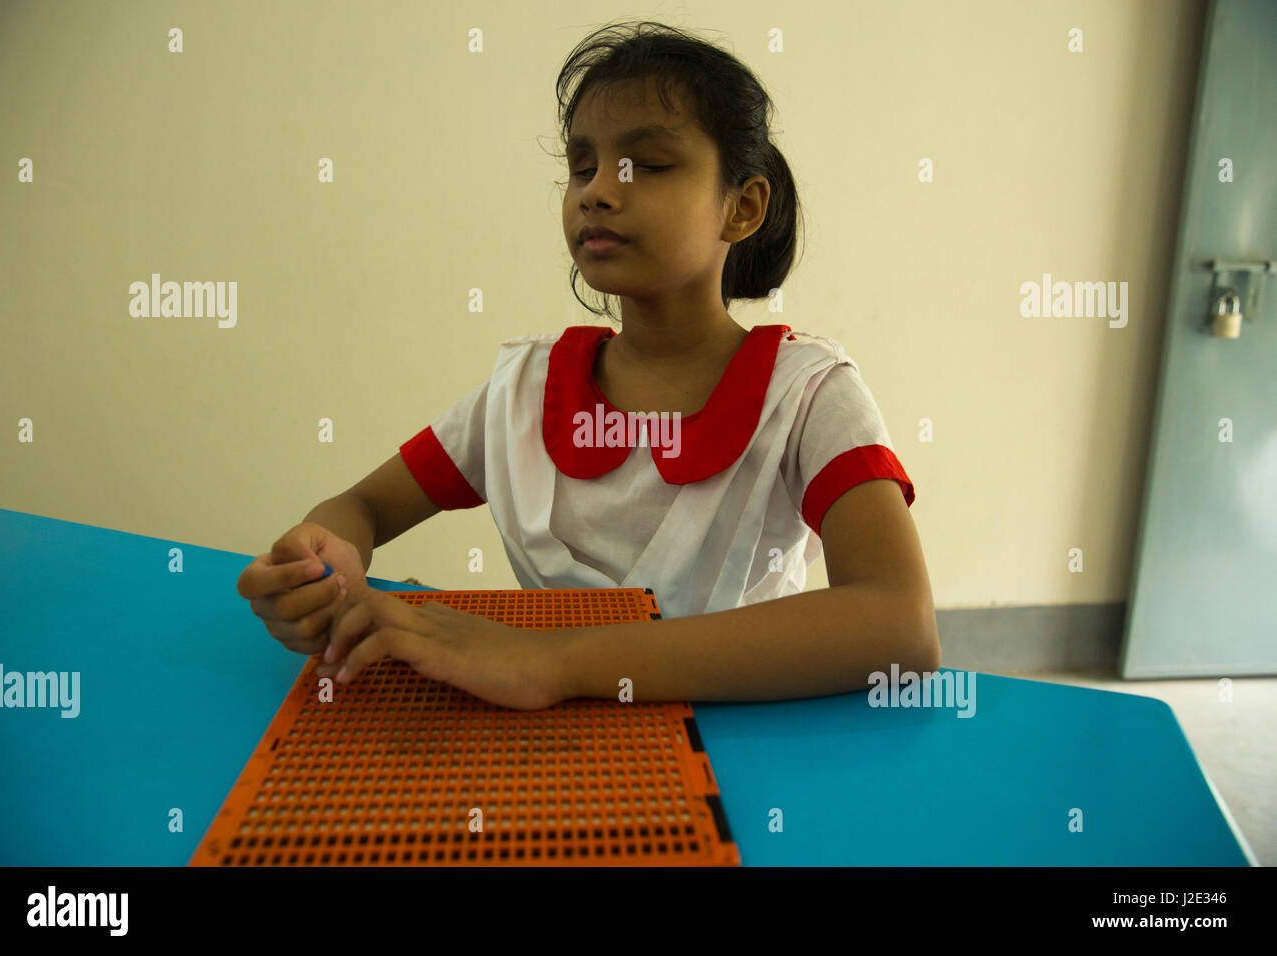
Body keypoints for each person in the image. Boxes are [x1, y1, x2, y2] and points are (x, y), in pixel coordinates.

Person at [238, 20, 939, 710]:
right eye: (582, 166)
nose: (596, 190)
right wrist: (322, 563)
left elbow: (898, 626)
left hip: (744, 753)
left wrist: (557, 663)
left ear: (743, 207)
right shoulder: (523, 392)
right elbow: (362, 507)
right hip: (544, 751)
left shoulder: (809, 394)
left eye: (649, 164)